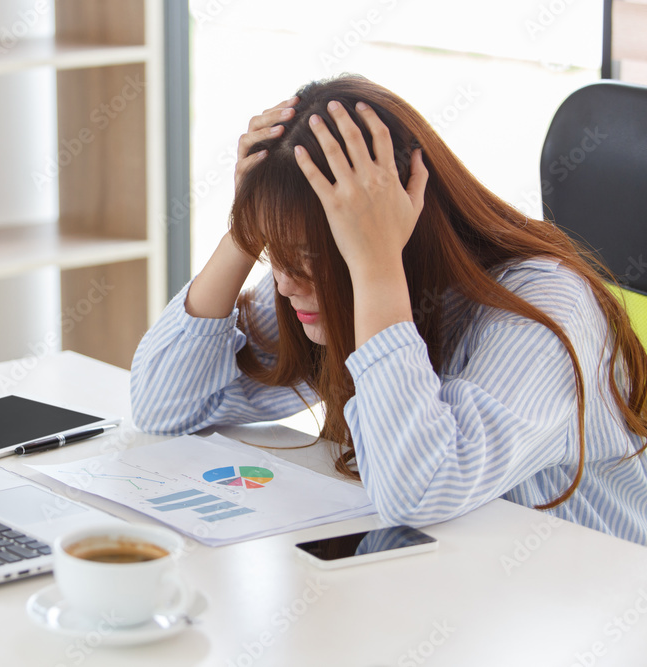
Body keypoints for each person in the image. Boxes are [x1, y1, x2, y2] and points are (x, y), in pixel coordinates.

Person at [130, 74, 647, 544]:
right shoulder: (319, 279)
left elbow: (417, 493)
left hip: (594, 611)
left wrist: (374, 266)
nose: (285, 285)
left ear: (392, 230)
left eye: (308, 259)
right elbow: (165, 406)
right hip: (466, 588)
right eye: (276, 254)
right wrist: (249, 225)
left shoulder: (544, 306)